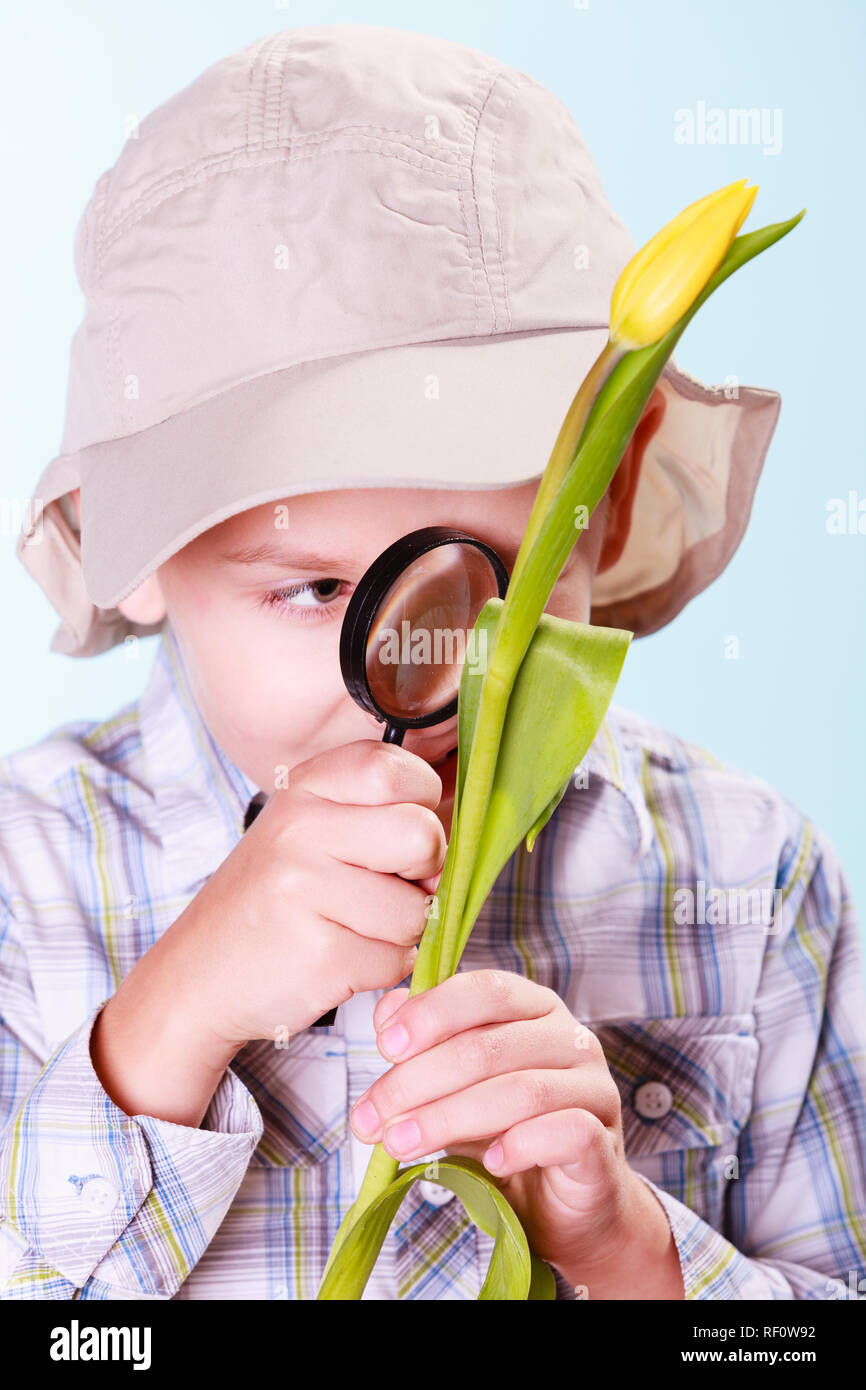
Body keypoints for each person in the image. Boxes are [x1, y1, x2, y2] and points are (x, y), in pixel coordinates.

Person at [2, 24, 864, 1302]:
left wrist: (630, 1252)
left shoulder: (751, 880)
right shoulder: (30, 880)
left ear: (609, 508)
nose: (414, 670)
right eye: (314, 590)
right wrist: (166, 1029)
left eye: (496, 587)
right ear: (143, 548)